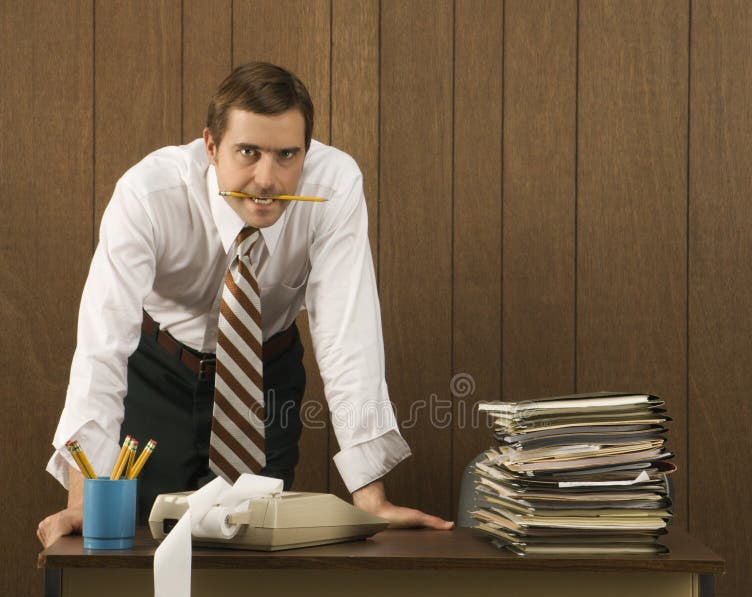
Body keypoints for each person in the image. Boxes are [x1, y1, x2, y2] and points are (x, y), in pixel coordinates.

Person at [37, 62, 453, 548]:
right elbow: (102, 344)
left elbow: (348, 336)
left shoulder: (334, 186)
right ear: (211, 147)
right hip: (157, 375)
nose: (267, 179)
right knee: (136, 547)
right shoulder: (148, 194)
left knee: (252, 549)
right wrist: (83, 500)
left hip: (264, 377)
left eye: (286, 155)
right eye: (248, 152)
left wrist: (371, 497)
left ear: (307, 151)